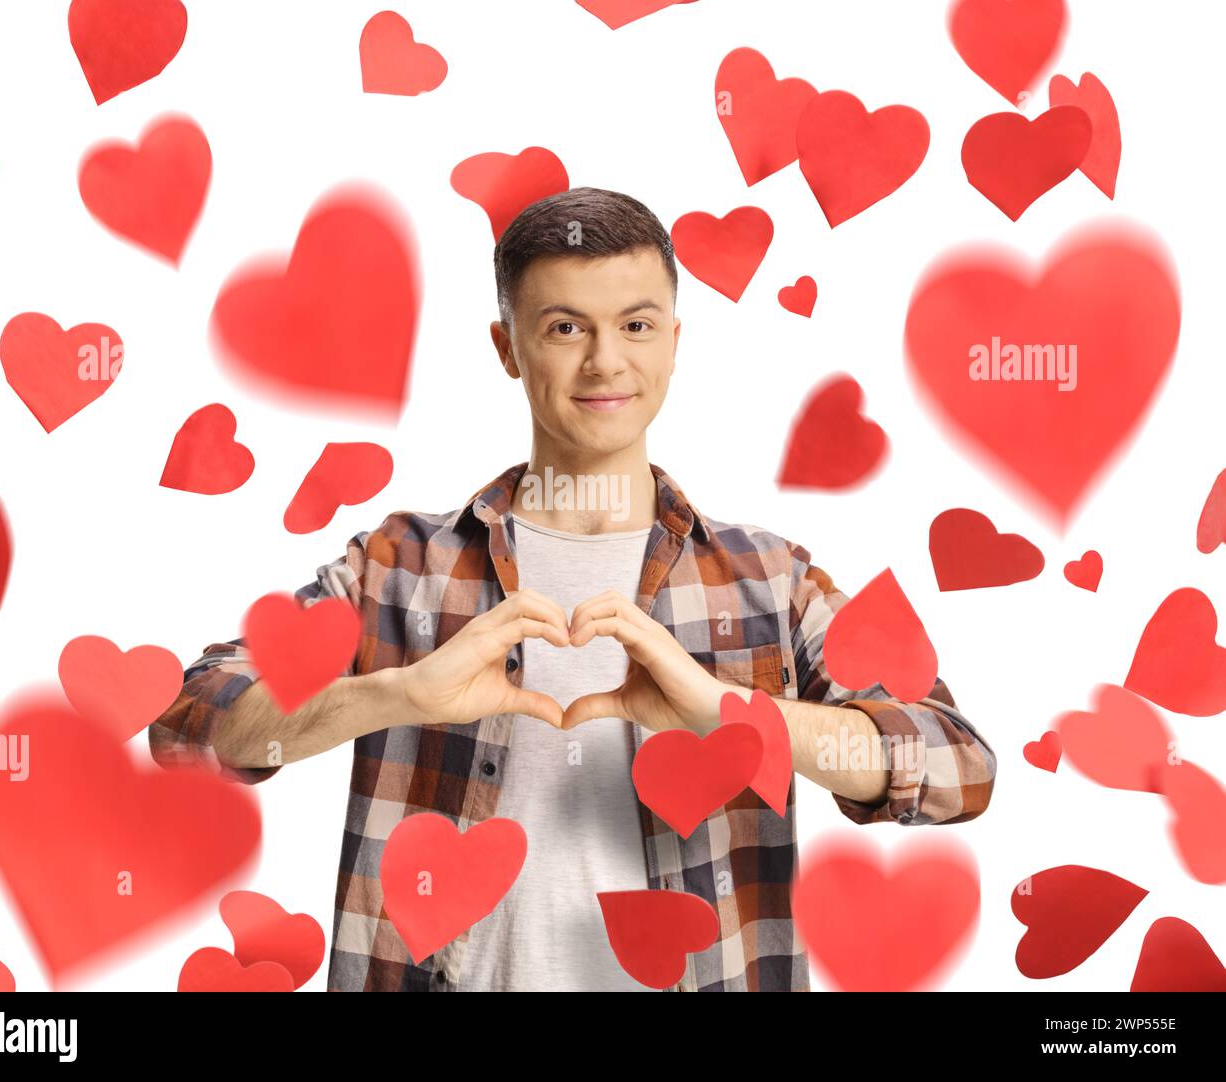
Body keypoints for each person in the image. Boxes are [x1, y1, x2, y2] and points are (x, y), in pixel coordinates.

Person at [149, 186, 997, 991]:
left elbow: (957, 765)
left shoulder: (768, 579)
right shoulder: (397, 566)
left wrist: (734, 720)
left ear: (673, 340)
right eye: (564, 327)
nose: (606, 361)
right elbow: (191, 729)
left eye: (635, 324)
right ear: (507, 347)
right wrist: (393, 696)